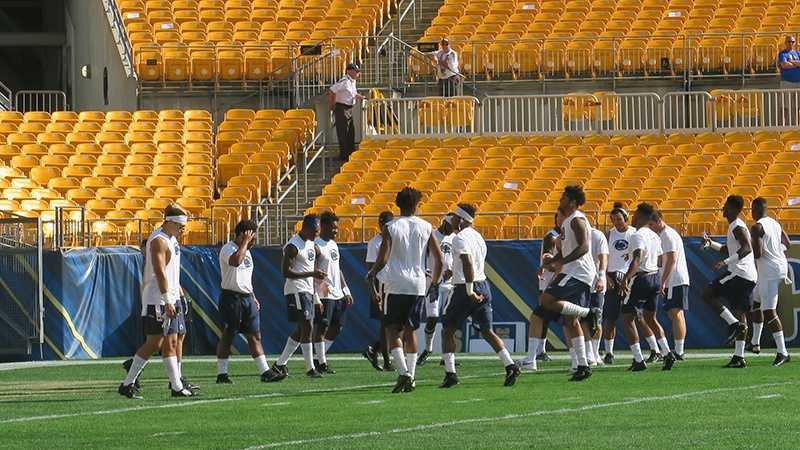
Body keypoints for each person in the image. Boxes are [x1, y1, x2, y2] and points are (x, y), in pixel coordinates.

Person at [367, 187, 443, 393]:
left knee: (393, 329)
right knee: (411, 330)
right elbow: (439, 259)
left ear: (398, 205)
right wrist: (433, 282)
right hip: (418, 284)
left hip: (396, 282)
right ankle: (412, 377)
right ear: (417, 205)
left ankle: (403, 373)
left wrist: (372, 272)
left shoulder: (391, 227)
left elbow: (383, 258)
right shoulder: (427, 226)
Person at [440, 204, 520, 388]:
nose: (451, 220)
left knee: (448, 330)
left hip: (465, 287)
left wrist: (469, 291)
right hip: (483, 284)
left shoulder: (460, 237)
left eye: (454, 217)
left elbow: (467, 263)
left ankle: (451, 374)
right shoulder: (478, 236)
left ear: (460, 219)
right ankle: (510, 365)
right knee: (486, 330)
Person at [118, 205, 194, 399]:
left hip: (170, 296)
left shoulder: (172, 239)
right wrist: (168, 298)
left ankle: (129, 384)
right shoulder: (159, 240)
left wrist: (178, 295)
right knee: (160, 341)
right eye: (179, 225)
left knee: (167, 340)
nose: (181, 230)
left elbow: (172, 272)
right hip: (158, 298)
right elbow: (159, 271)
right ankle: (175, 386)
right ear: (168, 221)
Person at [539, 185, 601, 381]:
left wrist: (560, 261)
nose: (561, 199)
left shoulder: (577, 219)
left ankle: (589, 313)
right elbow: (569, 250)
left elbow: (584, 248)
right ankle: (582, 365)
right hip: (573, 270)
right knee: (570, 320)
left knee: (546, 300)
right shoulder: (567, 221)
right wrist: (552, 260)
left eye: (564, 197)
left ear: (572, 202)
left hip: (578, 272)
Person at [263, 214, 326, 381]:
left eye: (318, 231)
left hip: (307, 290)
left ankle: (280, 363)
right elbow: (286, 272)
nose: (316, 234)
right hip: (296, 290)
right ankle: (310, 368)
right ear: (305, 228)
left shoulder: (311, 244)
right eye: (314, 231)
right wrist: (312, 273)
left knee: (302, 329)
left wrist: (316, 297)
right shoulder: (293, 246)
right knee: (308, 327)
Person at [701, 195, 757, 369]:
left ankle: (733, 324)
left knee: (708, 294)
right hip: (748, 276)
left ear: (733, 208)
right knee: (741, 312)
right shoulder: (735, 226)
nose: (722, 209)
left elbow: (747, 248)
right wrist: (711, 244)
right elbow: (728, 249)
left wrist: (725, 263)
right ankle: (739, 356)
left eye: (725, 206)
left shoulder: (737, 226)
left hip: (740, 273)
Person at [619, 203, 676, 372]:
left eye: (635, 213)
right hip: (655, 277)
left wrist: (626, 279)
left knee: (628, 318)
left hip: (642, 278)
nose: (633, 217)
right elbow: (659, 260)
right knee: (651, 318)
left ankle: (638, 359)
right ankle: (667, 353)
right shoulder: (654, 235)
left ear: (642, 216)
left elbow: (637, 259)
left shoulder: (638, 235)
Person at [215, 220, 270, 384]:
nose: (254, 241)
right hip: (231, 298)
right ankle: (222, 373)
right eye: (251, 237)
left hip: (247, 298)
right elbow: (236, 262)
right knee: (228, 335)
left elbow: (245, 276)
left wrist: (252, 296)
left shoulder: (248, 251)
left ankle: (265, 371)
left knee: (255, 335)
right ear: (241, 235)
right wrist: (245, 243)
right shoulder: (228, 248)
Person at [749, 197, 791, 366]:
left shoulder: (757, 227)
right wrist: (775, 252)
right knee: (756, 299)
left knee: (769, 311)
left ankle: (783, 352)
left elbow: (758, 254)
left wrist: (743, 253)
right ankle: (755, 342)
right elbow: (786, 243)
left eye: (752, 209)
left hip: (769, 270)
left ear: (756, 209)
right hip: (780, 265)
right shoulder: (774, 223)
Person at [519, 212, 562, 371]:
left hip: (559, 280)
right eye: (559, 217)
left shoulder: (566, 236)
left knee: (545, 316)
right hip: (549, 281)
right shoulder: (551, 236)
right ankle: (540, 351)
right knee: (542, 316)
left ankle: (538, 352)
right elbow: (547, 259)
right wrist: (554, 267)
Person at [312, 212, 354, 374]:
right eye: (333, 228)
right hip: (324, 293)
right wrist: (316, 296)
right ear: (323, 226)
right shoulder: (316, 245)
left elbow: (338, 269)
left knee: (337, 327)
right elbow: (311, 272)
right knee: (321, 328)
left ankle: (318, 357)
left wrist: (346, 289)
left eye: (337, 228)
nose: (336, 231)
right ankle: (321, 362)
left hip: (338, 294)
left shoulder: (333, 245)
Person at [649, 210, 690, 361]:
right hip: (674, 280)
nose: (651, 227)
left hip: (675, 280)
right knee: (674, 313)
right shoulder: (663, 235)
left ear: (659, 220)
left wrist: (663, 281)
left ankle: (679, 351)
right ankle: (679, 349)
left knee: (675, 313)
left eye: (652, 224)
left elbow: (672, 260)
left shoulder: (667, 235)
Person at [418, 214, 455, 367]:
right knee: (432, 316)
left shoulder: (454, 237)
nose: (453, 229)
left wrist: (453, 270)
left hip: (450, 284)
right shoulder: (432, 235)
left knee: (450, 320)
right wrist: (426, 271)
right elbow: (421, 255)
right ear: (444, 223)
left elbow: (456, 258)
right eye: (451, 226)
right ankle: (428, 348)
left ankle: (447, 355)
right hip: (433, 283)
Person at [602, 203, 636, 364]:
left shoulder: (634, 233)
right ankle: (609, 352)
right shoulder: (609, 235)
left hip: (628, 277)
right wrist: (606, 276)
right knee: (610, 317)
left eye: (619, 218)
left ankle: (651, 349)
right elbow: (603, 256)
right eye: (614, 219)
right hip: (613, 278)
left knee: (636, 316)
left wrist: (629, 277)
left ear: (626, 219)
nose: (616, 221)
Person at [362, 210, 395, 371]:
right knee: (385, 323)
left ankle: (374, 350)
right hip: (381, 284)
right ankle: (387, 361)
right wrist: (373, 291)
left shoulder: (395, 239)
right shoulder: (374, 243)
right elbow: (370, 270)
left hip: (394, 284)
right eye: (385, 225)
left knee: (394, 324)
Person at [327, 63, 364, 161]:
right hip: (341, 108)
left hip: (349, 109)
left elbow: (353, 93)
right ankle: (344, 155)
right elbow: (331, 90)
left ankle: (350, 153)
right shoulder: (345, 81)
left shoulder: (352, 81)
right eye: (356, 71)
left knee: (350, 132)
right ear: (349, 71)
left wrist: (361, 97)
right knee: (343, 133)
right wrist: (331, 106)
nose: (358, 74)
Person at [586, 225, 608, 366]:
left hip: (595, 284)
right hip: (581, 283)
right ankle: (588, 353)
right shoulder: (574, 236)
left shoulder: (597, 235)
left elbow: (603, 258)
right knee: (582, 320)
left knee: (596, 319)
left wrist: (601, 277)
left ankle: (595, 351)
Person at [777, 35, 800, 125]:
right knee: (785, 106)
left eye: (792, 42)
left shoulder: (798, 53)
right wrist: (797, 64)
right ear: (785, 43)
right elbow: (784, 65)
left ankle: (797, 126)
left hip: (798, 83)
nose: (791, 43)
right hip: (787, 83)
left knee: (798, 107)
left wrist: (792, 62)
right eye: (789, 42)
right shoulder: (782, 54)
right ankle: (782, 127)